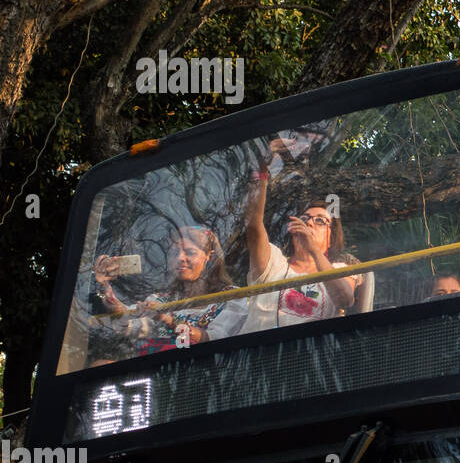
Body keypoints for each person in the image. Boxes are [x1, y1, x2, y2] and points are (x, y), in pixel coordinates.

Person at [242, 147, 363, 330]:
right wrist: (263, 169)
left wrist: (314, 250)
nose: (310, 224)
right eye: (305, 219)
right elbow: (252, 225)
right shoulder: (274, 261)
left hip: (304, 355)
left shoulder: (340, 269)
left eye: (320, 221)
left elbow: (344, 299)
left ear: (331, 239)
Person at [93, 224, 246, 355]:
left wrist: (168, 320)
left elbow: (218, 340)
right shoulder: (159, 300)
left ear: (210, 258)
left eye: (190, 252)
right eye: (174, 252)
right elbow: (130, 325)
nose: (180, 258)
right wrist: (106, 290)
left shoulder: (232, 297)